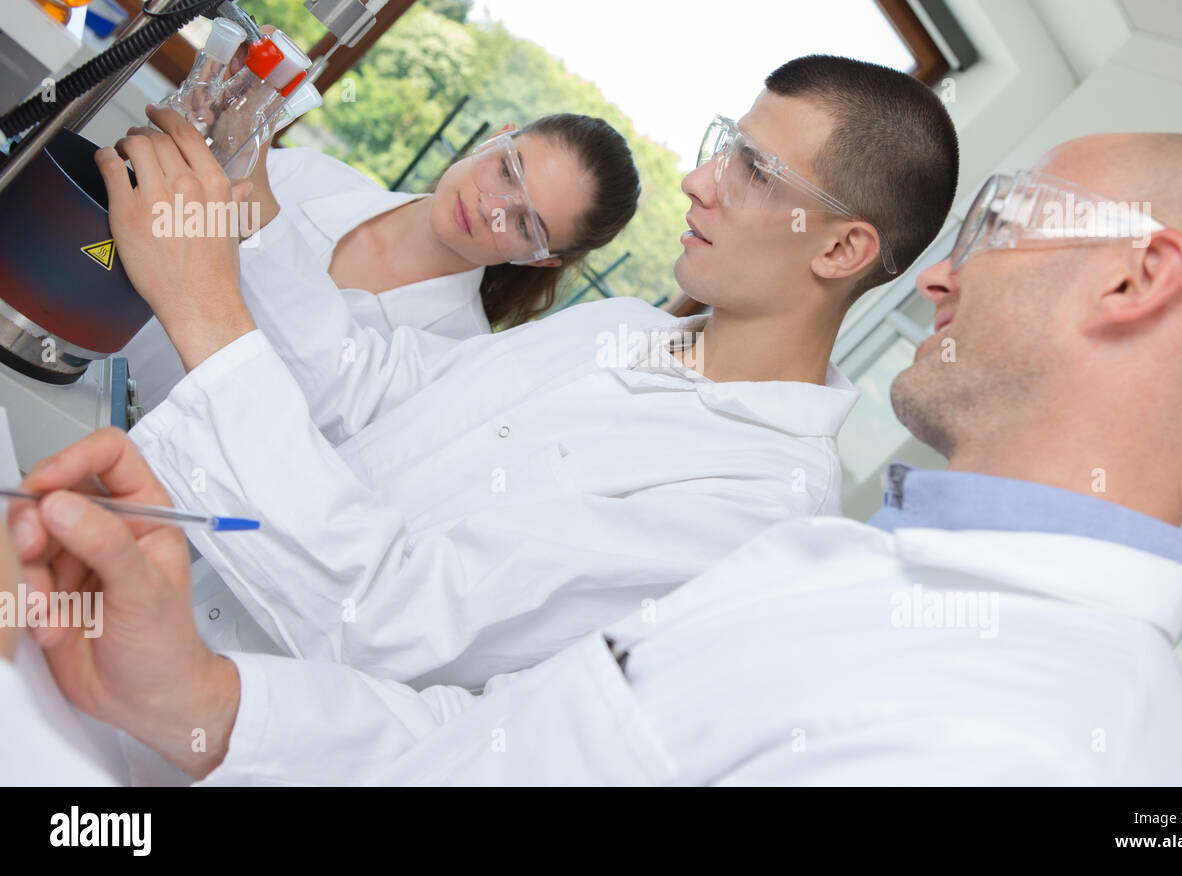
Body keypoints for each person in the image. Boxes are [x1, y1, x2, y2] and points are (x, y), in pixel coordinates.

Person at [8, 130, 1182, 786]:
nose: (946, 274)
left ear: (1136, 275)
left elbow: (397, 613)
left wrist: (210, 315)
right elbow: (501, 743)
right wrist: (205, 700)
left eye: (1002, 226)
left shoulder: (1038, 744)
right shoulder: (838, 560)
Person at [68, 54, 958, 689]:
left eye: (755, 172)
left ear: (843, 247)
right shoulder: (619, 327)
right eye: (725, 144)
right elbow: (368, 387)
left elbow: (394, 622)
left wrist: (207, 311)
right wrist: (253, 221)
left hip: (221, 721)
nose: (697, 180)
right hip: (155, 609)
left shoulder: (755, 513)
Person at [120, 109, 642, 415]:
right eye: (507, 170)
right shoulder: (307, 175)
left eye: (527, 225)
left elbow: (325, 412)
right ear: (495, 136)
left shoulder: (456, 359)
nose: (492, 208)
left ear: (541, 262)